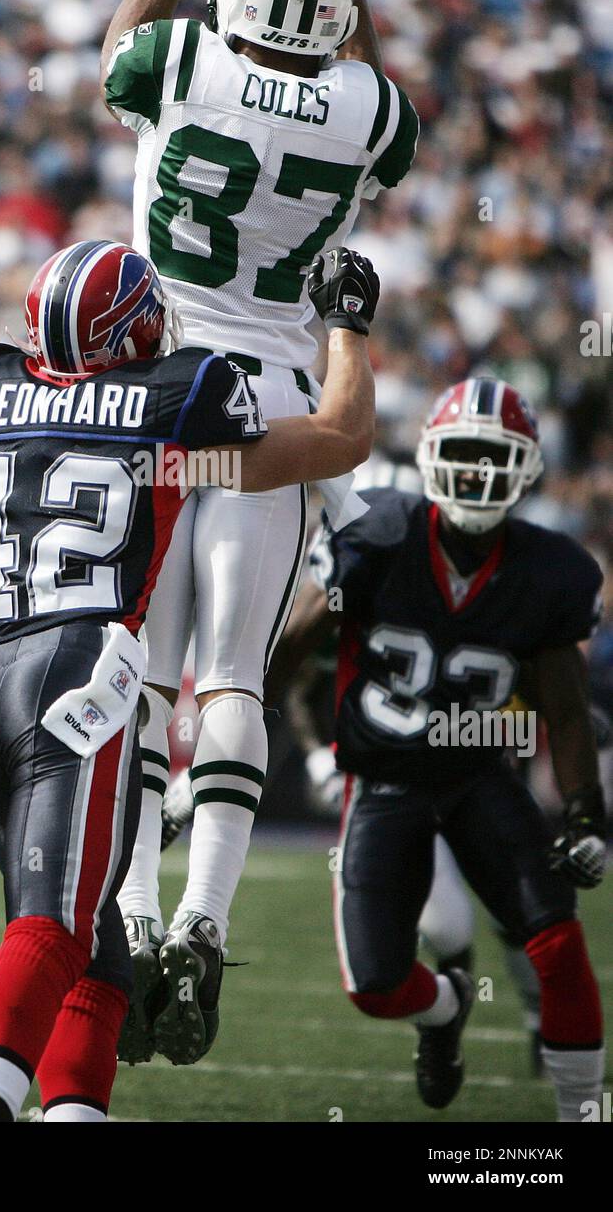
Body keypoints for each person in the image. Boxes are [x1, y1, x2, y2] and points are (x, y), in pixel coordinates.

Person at [0, 237, 379, 1121]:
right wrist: (349, 328)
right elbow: (340, 438)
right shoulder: (177, 400)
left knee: (97, 951)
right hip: (77, 687)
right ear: (134, 331)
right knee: (51, 928)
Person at [100, 0, 418, 1066]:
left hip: (155, 390)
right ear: (335, 8)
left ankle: (129, 916)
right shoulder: (370, 109)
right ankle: (201, 923)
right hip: (274, 402)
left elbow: (118, 48)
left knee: (141, 672)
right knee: (231, 676)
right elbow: (380, 93)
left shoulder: (179, 60)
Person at [270, 377, 606, 1119]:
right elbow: (289, 654)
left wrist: (586, 814)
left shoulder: (549, 570)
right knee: (375, 985)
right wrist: (235, 741)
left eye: (495, 459)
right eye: (464, 455)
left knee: (556, 941)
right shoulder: (379, 536)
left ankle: (583, 1113)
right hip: (383, 781)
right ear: (430, 456)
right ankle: (447, 1008)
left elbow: (567, 709)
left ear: (524, 468)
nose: (479, 475)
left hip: (480, 778)